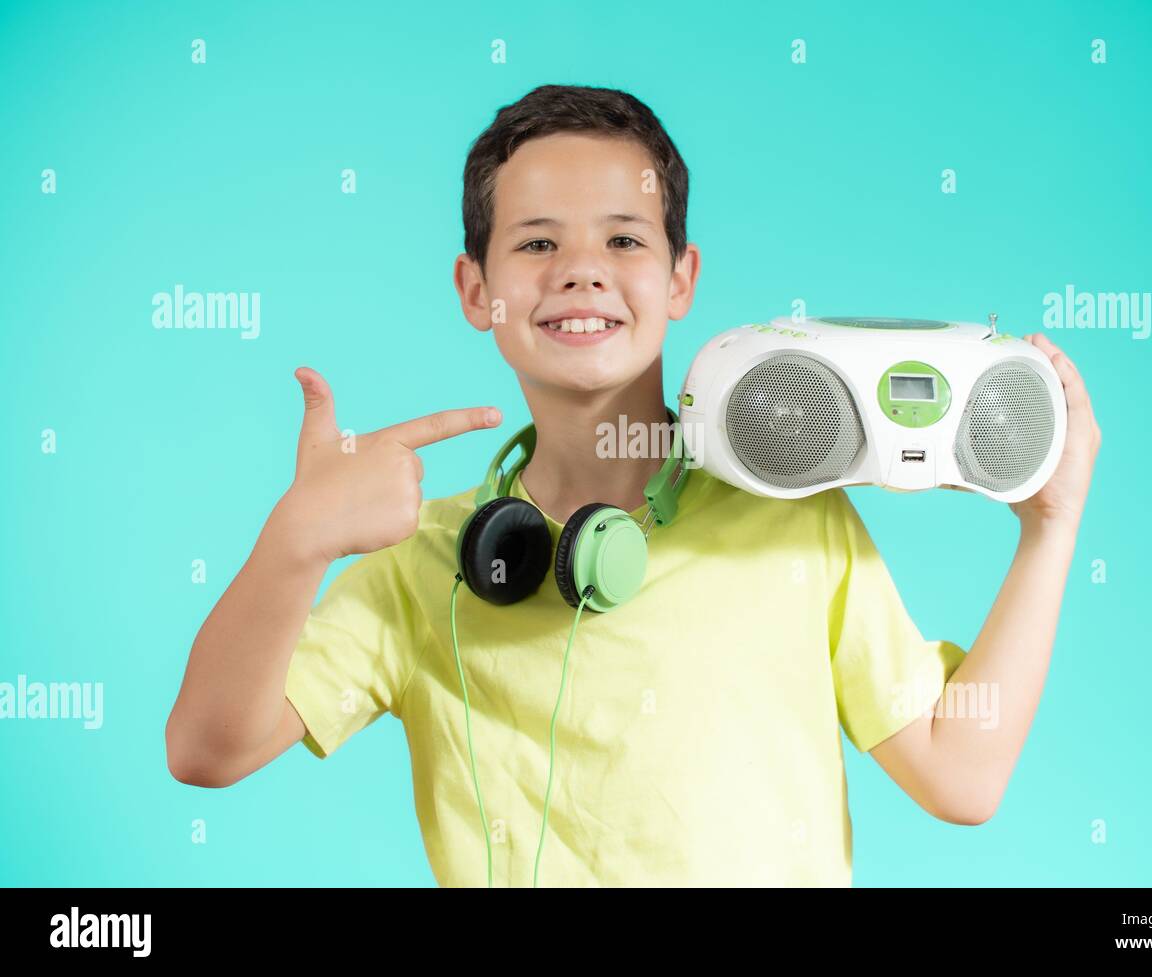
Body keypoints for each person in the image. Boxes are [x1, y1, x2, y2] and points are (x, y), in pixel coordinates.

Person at [165, 84, 1102, 887]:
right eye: (535, 245)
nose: (582, 271)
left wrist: (1050, 528)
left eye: (624, 239)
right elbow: (208, 749)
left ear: (682, 277)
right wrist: (297, 544)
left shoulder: (791, 521)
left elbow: (961, 775)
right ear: (473, 287)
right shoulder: (427, 560)